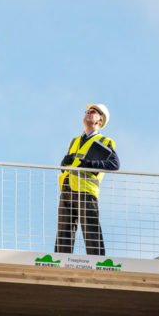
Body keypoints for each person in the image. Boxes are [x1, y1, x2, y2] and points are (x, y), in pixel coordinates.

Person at [54, 103, 119, 255]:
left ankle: (98, 263)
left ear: (100, 121)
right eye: (87, 111)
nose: (88, 113)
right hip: (68, 189)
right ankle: (61, 262)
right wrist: (64, 163)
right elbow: (66, 168)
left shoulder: (104, 141)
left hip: (86, 192)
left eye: (93, 112)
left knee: (91, 230)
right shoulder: (75, 141)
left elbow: (115, 164)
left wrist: (91, 163)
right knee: (64, 231)